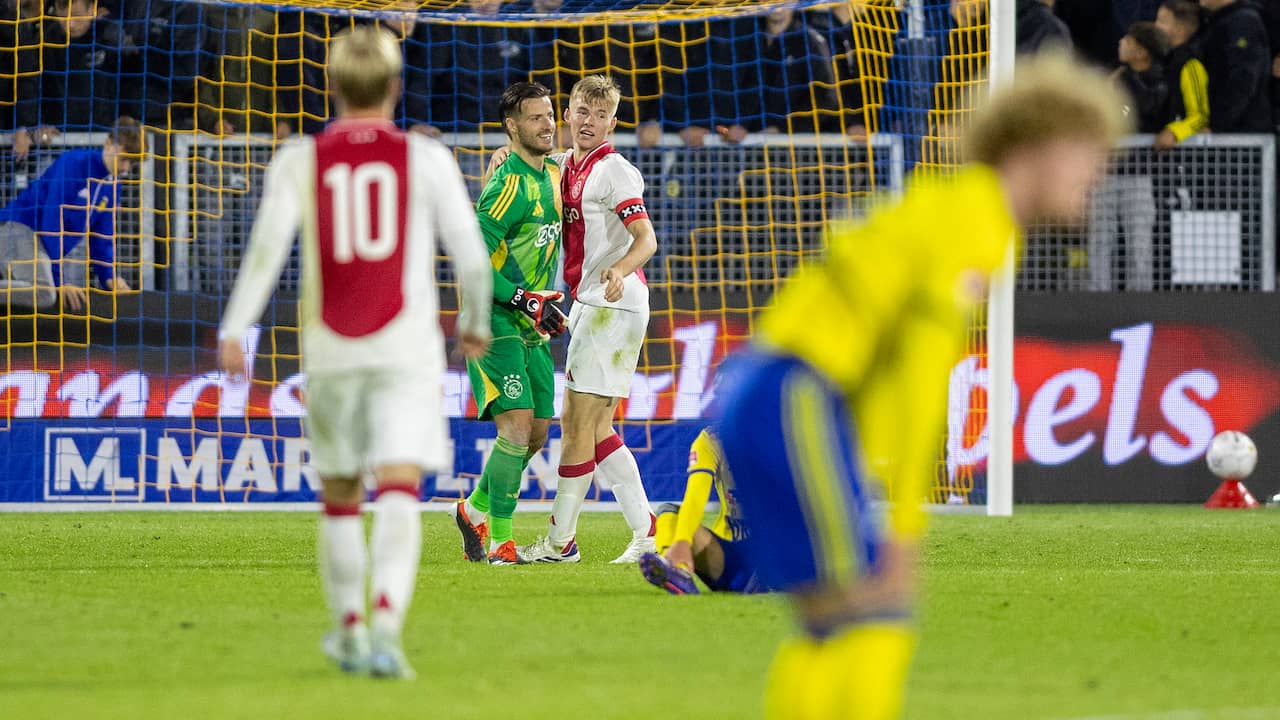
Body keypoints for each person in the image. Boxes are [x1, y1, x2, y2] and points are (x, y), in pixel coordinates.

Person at [713, 53, 1127, 720]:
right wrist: (904, 521)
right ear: (1039, 147)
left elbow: (884, 360)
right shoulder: (977, 222)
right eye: (1089, 152)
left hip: (765, 388)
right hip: (795, 394)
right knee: (877, 607)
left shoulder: (955, 205)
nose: (1098, 172)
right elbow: (920, 381)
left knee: (830, 621)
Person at [217, 26, 493, 678]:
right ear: (396, 87)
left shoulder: (299, 159)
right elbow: (472, 258)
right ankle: (387, 630)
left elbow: (266, 251)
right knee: (398, 487)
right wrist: (475, 322)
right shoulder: (427, 158)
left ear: (331, 86)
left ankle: (348, 629)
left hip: (332, 349)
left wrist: (235, 328)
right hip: (406, 349)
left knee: (341, 493)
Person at [515, 76, 660, 565]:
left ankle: (560, 543)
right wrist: (504, 153)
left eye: (600, 115)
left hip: (612, 305)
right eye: (582, 111)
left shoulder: (614, 170)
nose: (589, 122)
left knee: (577, 426)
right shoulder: (568, 165)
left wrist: (620, 269)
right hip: (594, 304)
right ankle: (646, 531)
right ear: (568, 115)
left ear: (612, 124)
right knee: (595, 428)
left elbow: (646, 238)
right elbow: (531, 159)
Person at [451, 82, 566, 566]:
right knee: (516, 430)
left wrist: (537, 305)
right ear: (512, 127)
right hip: (494, 318)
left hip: (532, 323)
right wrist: (523, 298)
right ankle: (502, 542)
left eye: (550, 115)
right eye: (535, 118)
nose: (547, 125)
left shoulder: (555, 173)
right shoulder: (506, 185)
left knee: (537, 433)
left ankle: (473, 510)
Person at [0, 116, 139, 310]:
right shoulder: (75, 163)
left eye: (132, 163)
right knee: (45, 293)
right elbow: (52, 220)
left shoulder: (113, 186)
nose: (125, 168)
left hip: (39, 245)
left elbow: (102, 235)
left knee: (44, 295)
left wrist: (109, 277)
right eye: (123, 159)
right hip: (17, 230)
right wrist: (60, 280)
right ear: (108, 144)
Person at [1088, 22, 1168, 292]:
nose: (1121, 42)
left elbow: (1144, 111)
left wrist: (1124, 83)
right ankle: (1096, 298)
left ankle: (1140, 300)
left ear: (1142, 52)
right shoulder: (1113, 75)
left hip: (1139, 175)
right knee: (1100, 240)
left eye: (1128, 41)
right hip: (1107, 173)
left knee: (1139, 242)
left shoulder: (1158, 80)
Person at [638, 427, 760, 595]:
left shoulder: (785, 436)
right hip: (730, 559)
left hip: (775, 554)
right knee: (668, 512)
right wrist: (682, 541)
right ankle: (677, 570)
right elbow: (695, 498)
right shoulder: (710, 440)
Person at [1198, 0, 1272, 133]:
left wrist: (1216, 125)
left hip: (1241, 133)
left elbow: (1243, 80)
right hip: (1228, 131)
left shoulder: (1243, 22)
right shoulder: (1218, 21)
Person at [1154, 0, 1210, 150]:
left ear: (1179, 30)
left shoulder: (1191, 64)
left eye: (1162, 21)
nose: (1155, 26)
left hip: (1184, 156)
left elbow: (1200, 116)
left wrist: (1175, 132)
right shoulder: (1165, 61)